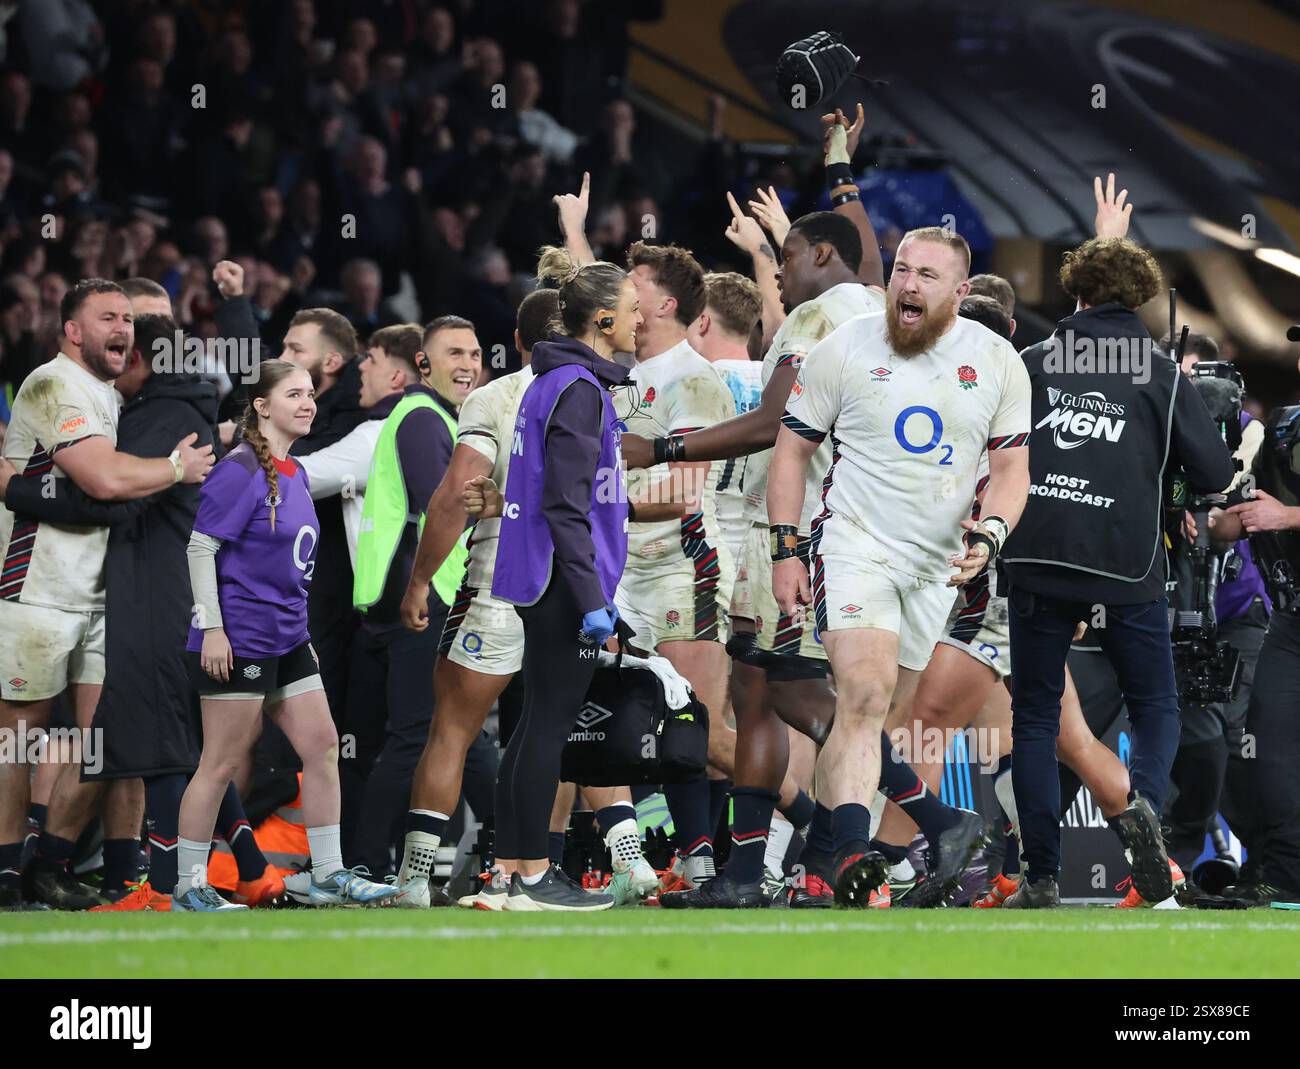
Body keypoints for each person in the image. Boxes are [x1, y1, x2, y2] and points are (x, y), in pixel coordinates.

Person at [0, 277, 283, 913]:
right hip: (37, 587)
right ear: (74, 329)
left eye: (130, 320)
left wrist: (14, 486)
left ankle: (89, 872)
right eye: (109, 317)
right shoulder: (55, 384)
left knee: (119, 737)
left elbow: (111, 488)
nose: (122, 330)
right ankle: (16, 877)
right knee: (25, 739)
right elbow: (103, 482)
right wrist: (174, 469)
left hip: (115, 595)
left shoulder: (139, 403)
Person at [768, 227, 1032, 908]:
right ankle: (857, 852)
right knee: (862, 690)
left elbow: (1011, 471)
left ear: (960, 292)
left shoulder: (999, 362)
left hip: (937, 570)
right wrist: (785, 547)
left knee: (884, 717)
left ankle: (830, 858)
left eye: (927, 277)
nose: (908, 286)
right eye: (903, 271)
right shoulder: (845, 346)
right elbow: (791, 451)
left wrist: (993, 533)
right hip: (853, 546)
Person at [999, 235, 1234, 908]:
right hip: (1125, 568)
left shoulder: (1036, 359)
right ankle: (1146, 831)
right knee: (1156, 701)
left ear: (1076, 292)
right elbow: (1215, 473)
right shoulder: (1160, 372)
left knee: (1036, 718)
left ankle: (1041, 874)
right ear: (1139, 300)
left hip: (1037, 557)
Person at [174, 358, 396, 910]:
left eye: (310, 395)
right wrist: (215, 629)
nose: (307, 403)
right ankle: (188, 886)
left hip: (289, 641)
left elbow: (288, 571)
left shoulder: (294, 475)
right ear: (262, 405)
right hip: (240, 639)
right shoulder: (240, 468)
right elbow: (201, 549)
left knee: (321, 749)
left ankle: (327, 873)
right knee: (220, 763)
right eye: (293, 394)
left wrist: (302, 635)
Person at [479, 247, 640, 911]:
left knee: (531, 724)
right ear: (602, 321)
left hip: (536, 574)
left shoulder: (551, 380)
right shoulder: (579, 391)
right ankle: (535, 873)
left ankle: (511, 871)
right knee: (548, 724)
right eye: (631, 312)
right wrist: (594, 600)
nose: (640, 323)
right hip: (562, 580)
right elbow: (567, 507)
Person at [617, 240, 737, 888]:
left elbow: (685, 489)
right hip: (620, 567)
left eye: (633, 281)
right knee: (632, 720)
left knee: (693, 722)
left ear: (663, 302)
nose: (622, 292)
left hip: (683, 564)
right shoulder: (618, 373)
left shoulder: (692, 378)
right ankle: (685, 861)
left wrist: (599, 506)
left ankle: (814, 817)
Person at [346, 315, 480, 876]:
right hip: (423, 603)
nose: (468, 364)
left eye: (475, 354)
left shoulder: (431, 417)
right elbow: (441, 509)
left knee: (406, 742)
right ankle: (371, 868)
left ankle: (362, 865)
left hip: (388, 603)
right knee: (429, 739)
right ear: (422, 364)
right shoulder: (426, 419)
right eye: (454, 354)